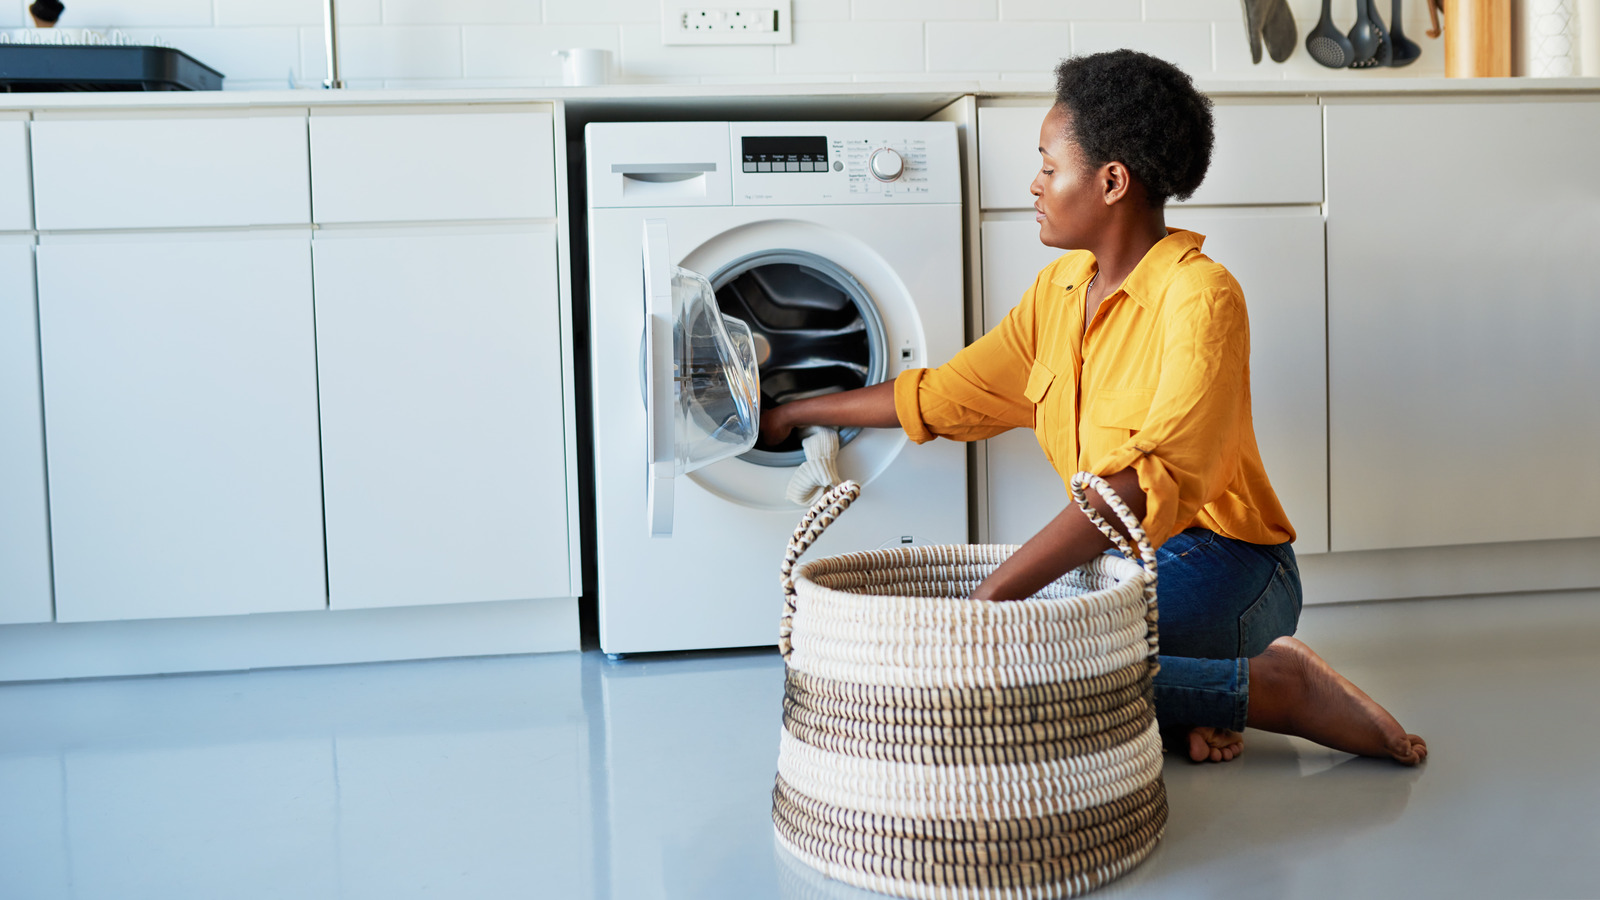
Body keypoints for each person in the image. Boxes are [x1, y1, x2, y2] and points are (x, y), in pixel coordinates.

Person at [759, 49, 1427, 766]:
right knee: (1033, 655)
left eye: (1050, 166)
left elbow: (1148, 481)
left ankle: (1280, 689)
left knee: (1029, 655)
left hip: (1231, 570)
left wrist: (986, 602)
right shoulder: (1059, 292)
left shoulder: (1201, 297)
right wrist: (800, 412)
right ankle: (1193, 704)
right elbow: (947, 393)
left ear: (1111, 181)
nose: (1035, 185)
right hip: (1128, 568)